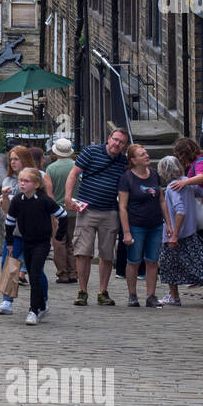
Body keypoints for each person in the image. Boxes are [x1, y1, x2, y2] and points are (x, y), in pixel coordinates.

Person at [64, 127, 130, 306]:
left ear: (125, 145)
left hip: (110, 211)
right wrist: (68, 197)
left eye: (121, 142)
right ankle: (82, 291)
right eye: (115, 139)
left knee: (107, 253)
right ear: (109, 138)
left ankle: (103, 291)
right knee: (82, 252)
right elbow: (74, 174)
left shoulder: (123, 162)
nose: (117, 144)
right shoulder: (91, 152)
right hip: (87, 209)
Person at [3, 166, 68, 325]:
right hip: (27, 241)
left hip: (42, 242)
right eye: (20, 181)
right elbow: (10, 221)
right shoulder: (18, 200)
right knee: (33, 274)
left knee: (35, 273)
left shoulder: (44, 200)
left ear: (36, 184)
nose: (22, 184)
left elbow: (63, 215)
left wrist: (59, 235)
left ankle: (33, 310)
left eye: (26, 181)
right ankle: (41, 306)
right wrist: (10, 241)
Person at [0, 145, 48, 314]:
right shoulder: (8, 180)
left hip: (35, 233)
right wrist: (6, 196)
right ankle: (7, 302)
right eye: (10, 159)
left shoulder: (41, 177)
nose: (12, 162)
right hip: (15, 232)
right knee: (8, 265)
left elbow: (49, 204)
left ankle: (42, 300)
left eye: (16, 159)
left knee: (35, 270)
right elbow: (7, 210)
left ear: (25, 159)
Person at [158, 154, 203, 305]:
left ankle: (174, 297)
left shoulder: (172, 187)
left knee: (169, 265)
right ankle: (176, 295)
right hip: (190, 230)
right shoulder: (188, 183)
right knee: (196, 261)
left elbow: (180, 210)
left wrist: (174, 235)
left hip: (176, 234)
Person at [117, 143, 165, 308]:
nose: (146, 156)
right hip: (136, 225)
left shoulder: (154, 174)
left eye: (146, 153)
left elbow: (162, 200)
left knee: (152, 261)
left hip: (156, 224)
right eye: (142, 154)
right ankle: (132, 295)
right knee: (134, 261)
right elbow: (122, 207)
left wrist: (169, 224)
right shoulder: (127, 178)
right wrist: (126, 231)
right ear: (133, 160)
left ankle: (151, 295)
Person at [170, 137, 203, 244]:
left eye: (180, 154)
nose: (179, 158)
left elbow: (201, 177)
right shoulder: (200, 161)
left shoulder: (201, 163)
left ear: (187, 153)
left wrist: (184, 182)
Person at [45, 138, 78, 283]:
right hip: (76, 209)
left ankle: (63, 273)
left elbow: (49, 192)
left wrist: (52, 211)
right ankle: (74, 272)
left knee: (59, 242)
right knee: (73, 242)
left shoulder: (51, 168)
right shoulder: (77, 166)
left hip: (59, 210)